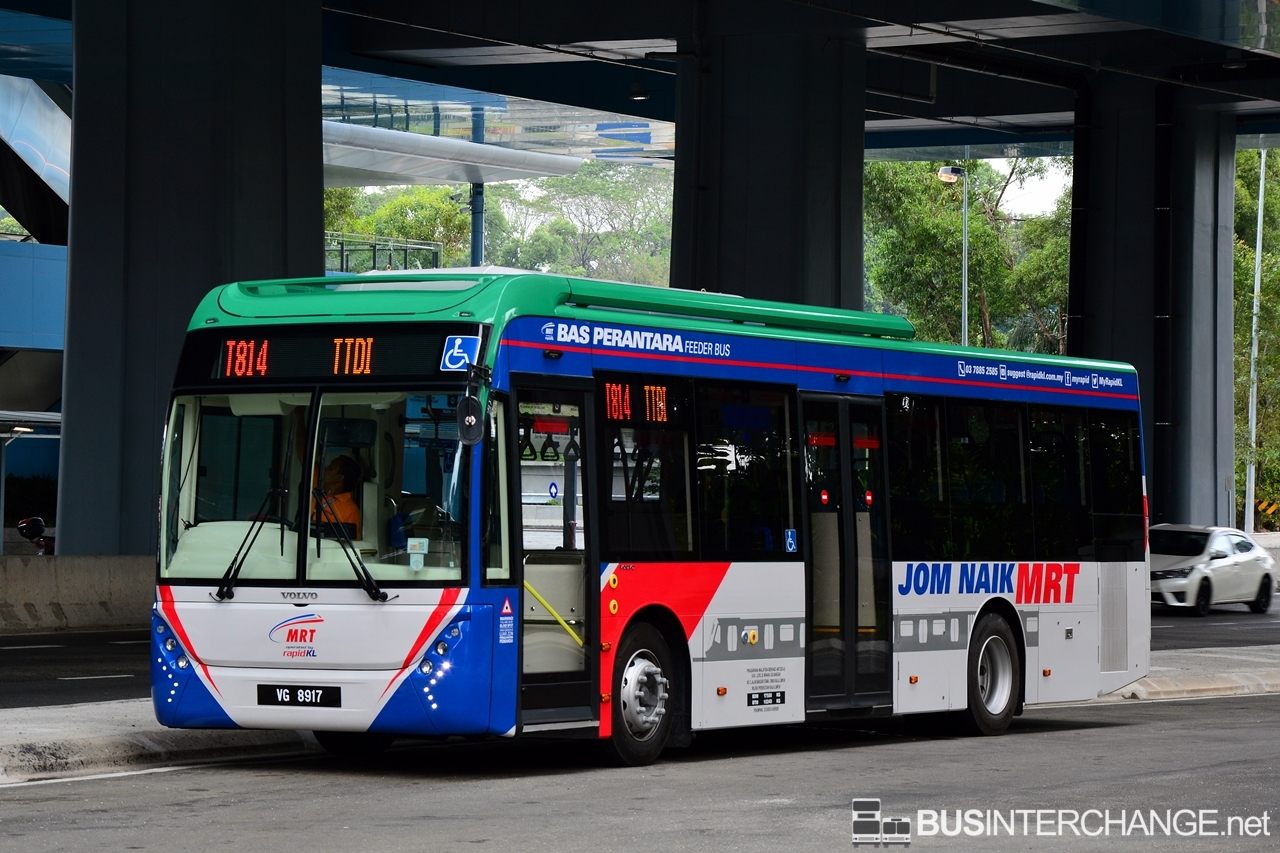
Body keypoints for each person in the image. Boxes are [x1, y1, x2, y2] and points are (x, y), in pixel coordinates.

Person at [314, 455, 362, 538]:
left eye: (330, 467)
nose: (325, 468)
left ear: (339, 478)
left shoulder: (351, 511)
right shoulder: (316, 485)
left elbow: (350, 545)